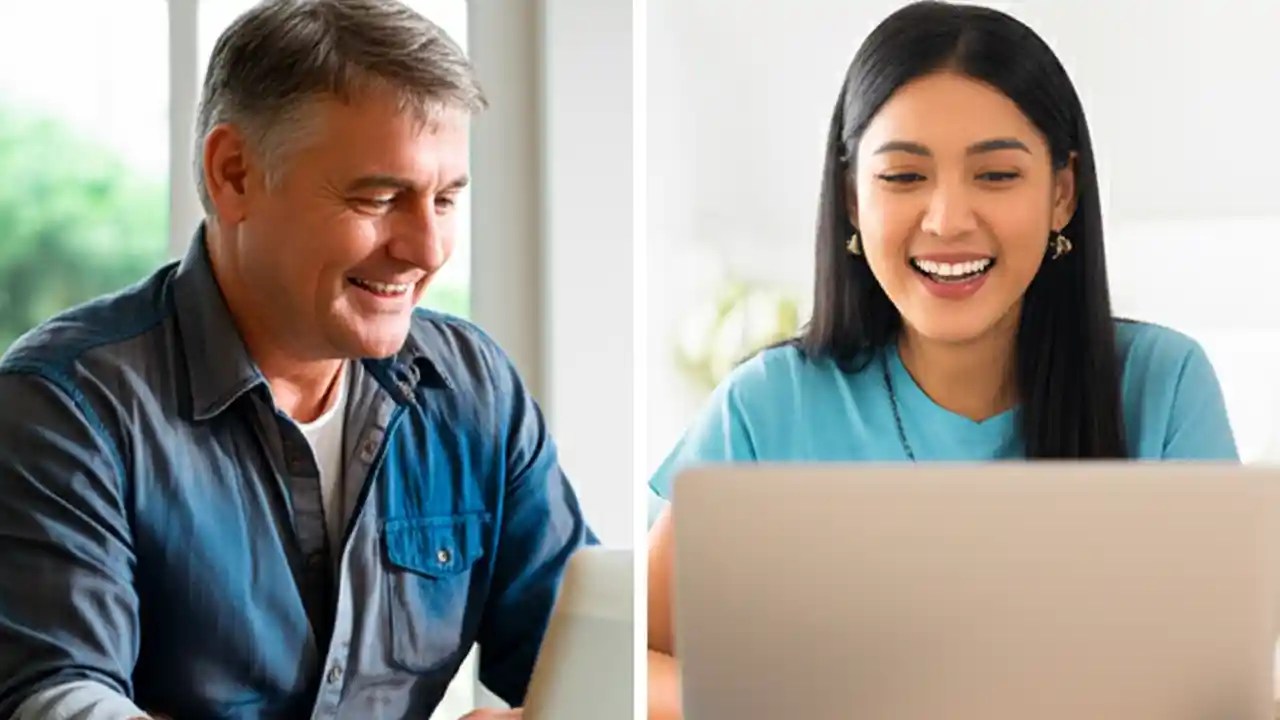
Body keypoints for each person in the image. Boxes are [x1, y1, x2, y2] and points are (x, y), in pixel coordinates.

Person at [0, 1, 593, 718]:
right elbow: (57, 701)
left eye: (444, 200)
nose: (428, 249)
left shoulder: (472, 390)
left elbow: (589, 661)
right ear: (235, 175)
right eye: (380, 197)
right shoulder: (66, 407)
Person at [645, 1, 1237, 717]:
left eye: (995, 175)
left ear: (1061, 193)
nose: (949, 220)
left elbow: (1217, 686)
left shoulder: (1163, 385)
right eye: (902, 177)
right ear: (852, 201)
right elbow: (636, 661)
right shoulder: (767, 406)